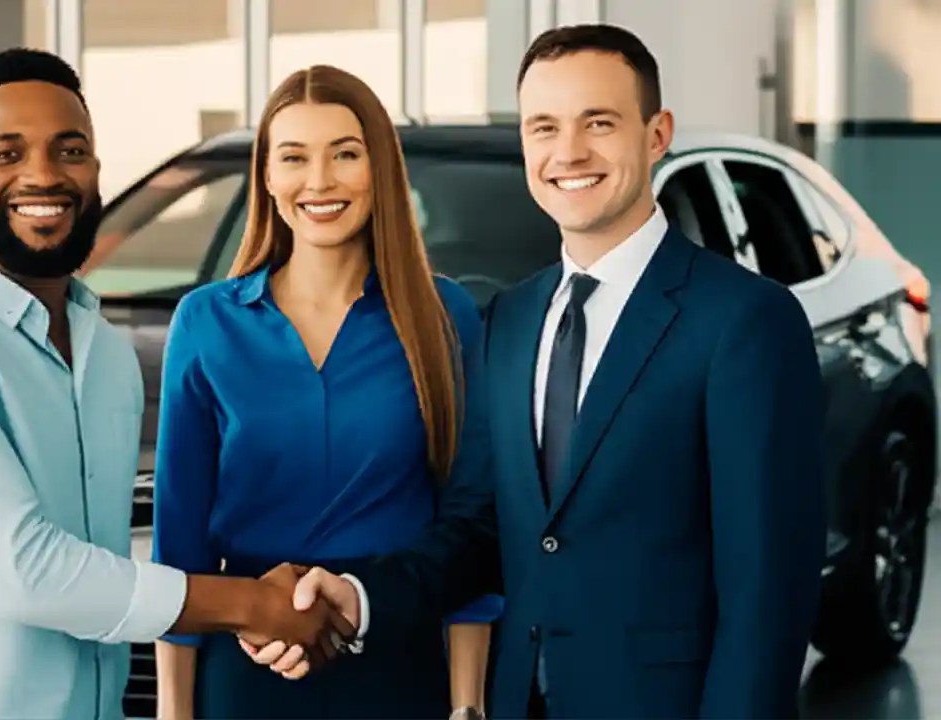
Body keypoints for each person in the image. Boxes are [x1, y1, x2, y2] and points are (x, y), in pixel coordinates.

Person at [248, 24, 828, 719]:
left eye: (598, 123)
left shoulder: (745, 321)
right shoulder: (512, 321)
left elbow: (768, 593)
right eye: (544, 127)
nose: (568, 152)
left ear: (657, 135)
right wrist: (358, 595)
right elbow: (480, 532)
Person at [0, 48, 351, 720]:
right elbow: (28, 573)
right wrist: (250, 604)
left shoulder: (105, 353)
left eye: (70, 150)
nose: (43, 174)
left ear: (96, 170)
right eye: (7, 153)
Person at [150, 64, 503, 720]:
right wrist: (174, 712)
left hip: (401, 666)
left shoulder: (443, 317)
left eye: (344, 154)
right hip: (248, 668)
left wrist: (467, 705)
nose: (319, 181)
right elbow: (180, 543)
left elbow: (469, 527)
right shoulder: (206, 322)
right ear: (266, 176)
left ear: (380, 169)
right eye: (294, 157)